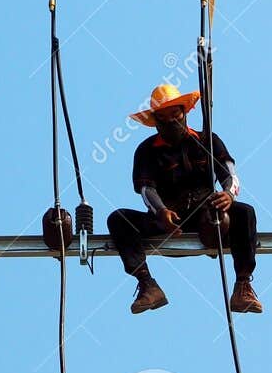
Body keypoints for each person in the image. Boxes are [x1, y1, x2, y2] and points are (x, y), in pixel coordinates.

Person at [108, 83, 262, 316]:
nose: (171, 120)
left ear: (184, 112)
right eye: (164, 116)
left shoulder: (207, 140)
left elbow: (229, 172)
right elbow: (145, 189)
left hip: (207, 217)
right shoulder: (147, 150)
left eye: (175, 114)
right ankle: (148, 286)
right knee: (119, 219)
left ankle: (243, 287)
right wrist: (160, 211)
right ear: (156, 121)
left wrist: (228, 195)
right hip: (167, 221)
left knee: (245, 213)